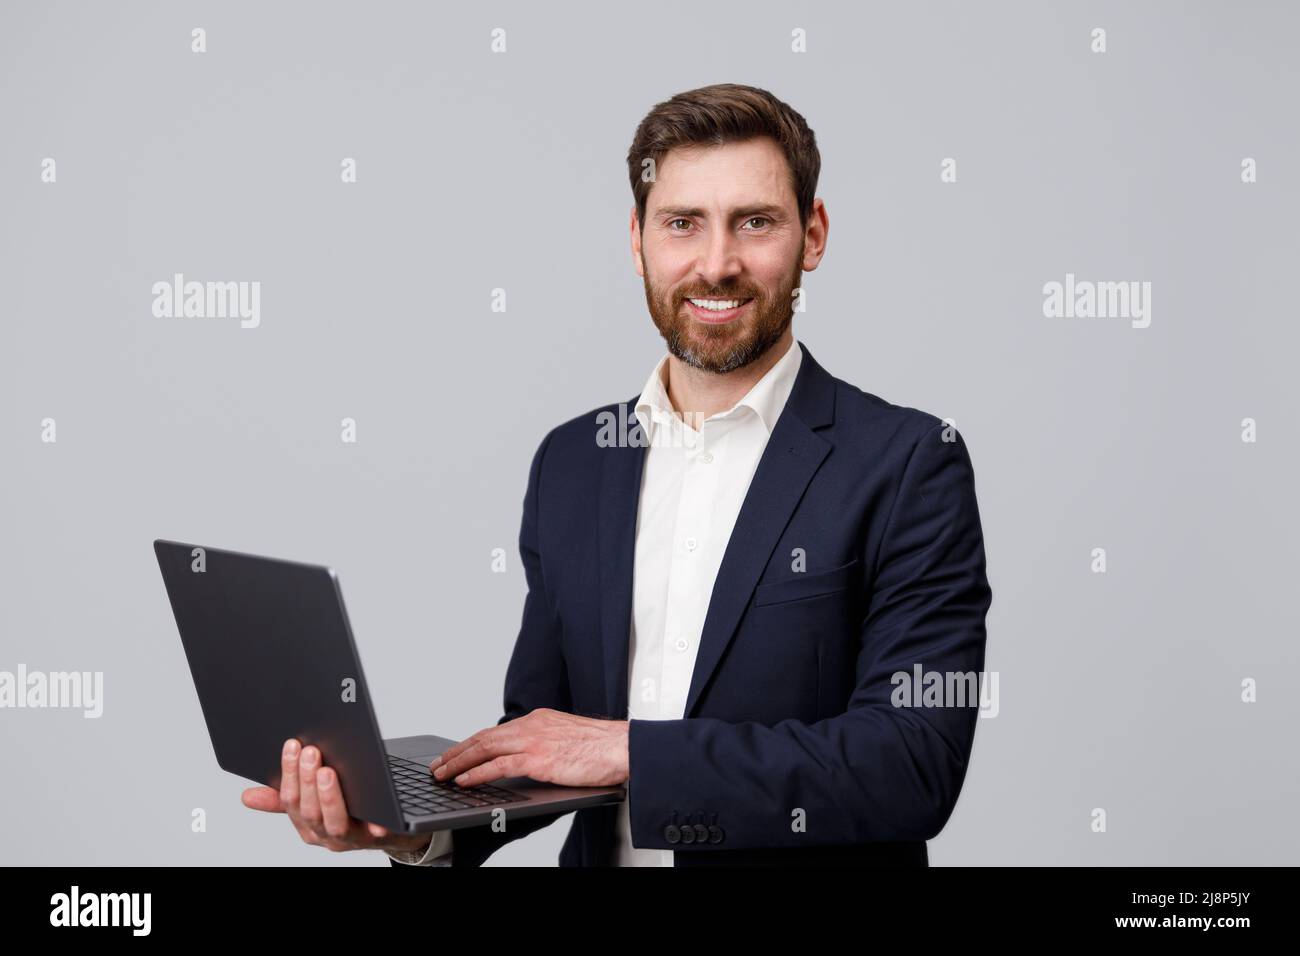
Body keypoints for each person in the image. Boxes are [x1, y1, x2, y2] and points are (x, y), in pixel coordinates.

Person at [242, 83, 993, 867]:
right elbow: (546, 745)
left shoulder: (908, 463)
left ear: (813, 235)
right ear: (638, 238)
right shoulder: (574, 460)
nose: (717, 263)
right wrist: (414, 828)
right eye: (682, 224)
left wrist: (632, 751)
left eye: (756, 222)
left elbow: (912, 763)